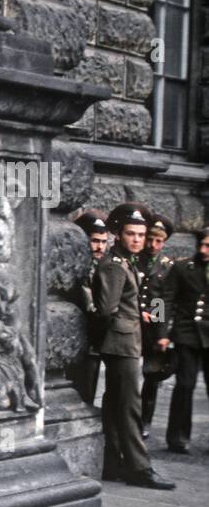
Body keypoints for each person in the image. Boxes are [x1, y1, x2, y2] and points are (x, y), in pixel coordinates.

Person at [92, 204, 176, 489]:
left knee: (128, 398)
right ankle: (138, 466)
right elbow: (109, 307)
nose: (145, 242)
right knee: (129, 403)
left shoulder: (164, 266)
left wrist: (161, 331)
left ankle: (115, 461)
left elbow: (161, 300)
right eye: (137, 235)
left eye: (152, 238)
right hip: (125, 339)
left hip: (146, 335)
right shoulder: (123, 262)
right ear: (120, 235)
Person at [157, 226, 209, 453]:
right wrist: (161, 333)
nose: (204, 250)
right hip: (187, 334)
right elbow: (162, 300)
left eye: (208, 246)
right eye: (202, 245)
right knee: (185, 385)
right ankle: (178, 437)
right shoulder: (181, 267)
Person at [137, 214, 176, 435]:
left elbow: (165, 298)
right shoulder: (133, 259)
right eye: (150, 239)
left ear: (164, 242)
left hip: (152, 329)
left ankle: (145, 420)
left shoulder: (167, 266)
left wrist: (155, 317)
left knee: (151, 377)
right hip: (134, 326)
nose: (152, 245)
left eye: (158, 241)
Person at [73, 209, 109, 404]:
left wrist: (158, 324)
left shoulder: (166, 266)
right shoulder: (79, 265)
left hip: (111, 335)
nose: (100, 247)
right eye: (95, 241)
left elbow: (160, 299)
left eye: (104, 242)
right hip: (85, 331)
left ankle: (143, 422)